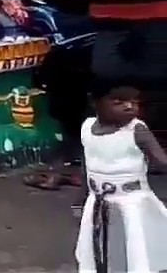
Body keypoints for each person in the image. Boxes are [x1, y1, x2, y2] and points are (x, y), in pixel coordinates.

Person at [75, 83, 167, 273]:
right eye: (119, 102)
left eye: (135, 102)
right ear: (95, 103)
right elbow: (87, 162)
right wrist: (83, 194)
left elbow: (162, 162)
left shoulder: (137, 130)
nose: (129, 107)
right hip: (97, 201)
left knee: (134, 251)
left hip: (131, 204)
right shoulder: (87, 128)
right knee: (99, 249)